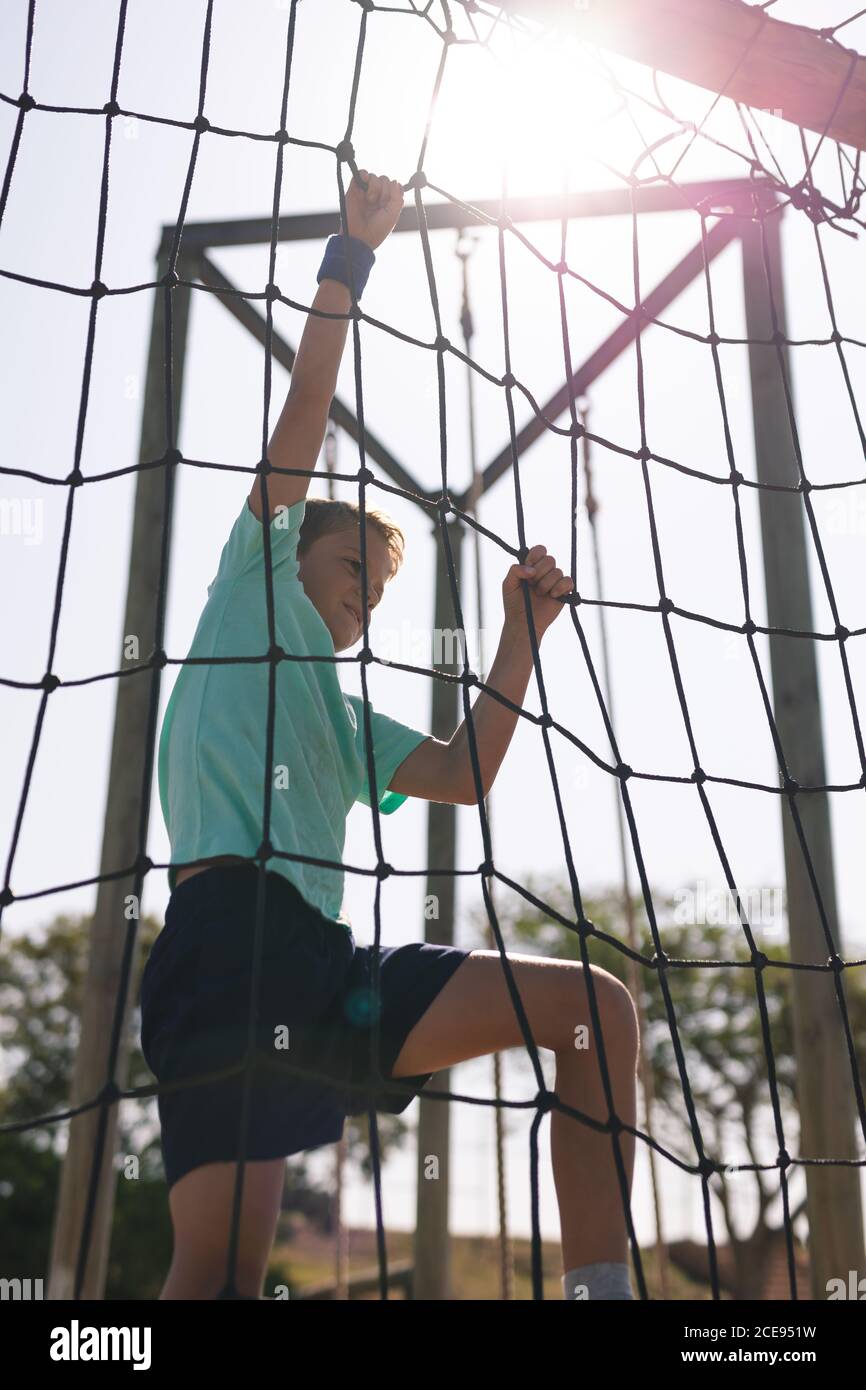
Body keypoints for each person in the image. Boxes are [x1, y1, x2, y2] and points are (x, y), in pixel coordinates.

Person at [139, 169, 639, 1302]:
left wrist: (518, 634)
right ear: (291, 554)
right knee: (214, 1274)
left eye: (377, 580)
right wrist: (347, 262)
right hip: (225, 949)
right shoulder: (250, 585)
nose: (366, 588)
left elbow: (465, 770)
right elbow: (305, 411)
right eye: (351, 564)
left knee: (590, 1012)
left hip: (325, 967)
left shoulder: (347, 717)